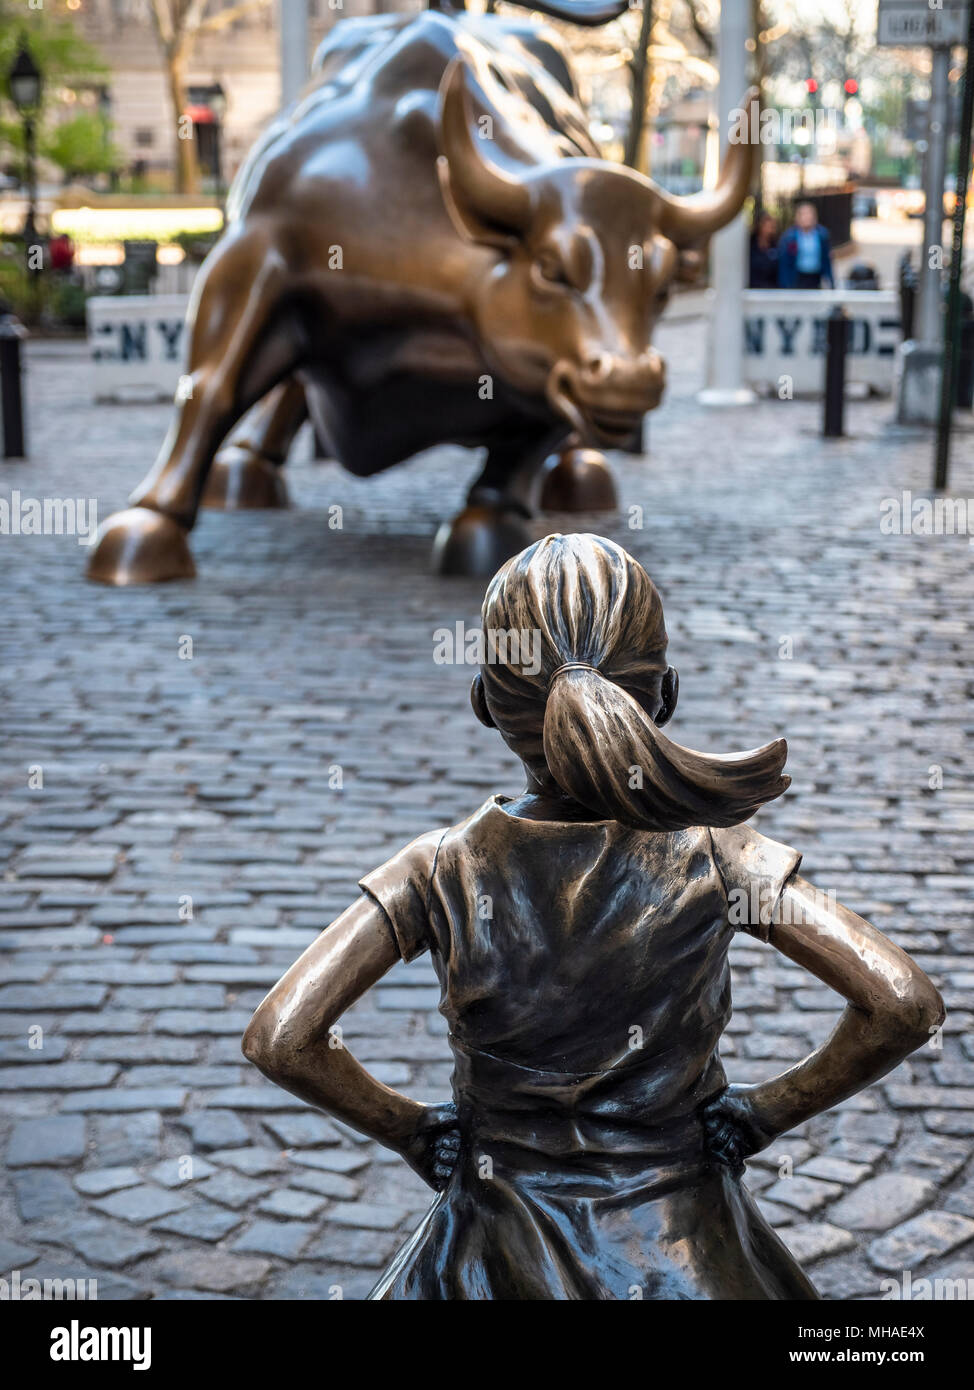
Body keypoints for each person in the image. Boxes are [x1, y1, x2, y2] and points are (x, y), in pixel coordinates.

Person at [243, 533, 943, 1301]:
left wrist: (411, 1129)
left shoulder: (440, 868)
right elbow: (901, 1004)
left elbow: (283, 1039)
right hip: (682, 1245)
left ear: (483, 702)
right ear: (664, 695)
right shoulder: (719, 856)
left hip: (488, 1245)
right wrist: (765, 1113)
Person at [778, 201, 834, 289]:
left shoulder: (822, 235)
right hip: (798, 277)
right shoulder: (789, 237)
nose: (807, 217)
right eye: (803, 214)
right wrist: (785, 284)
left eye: (809, 214)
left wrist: (830, 281)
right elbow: (785, 263)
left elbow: (827, 259)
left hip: (815, 277)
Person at [749, 210, 779, 289]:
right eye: (767, 226)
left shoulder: (776, 246)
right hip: (753, 289)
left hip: (771, 290)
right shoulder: (750, 246)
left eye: (772, 226)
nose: (770, 229)